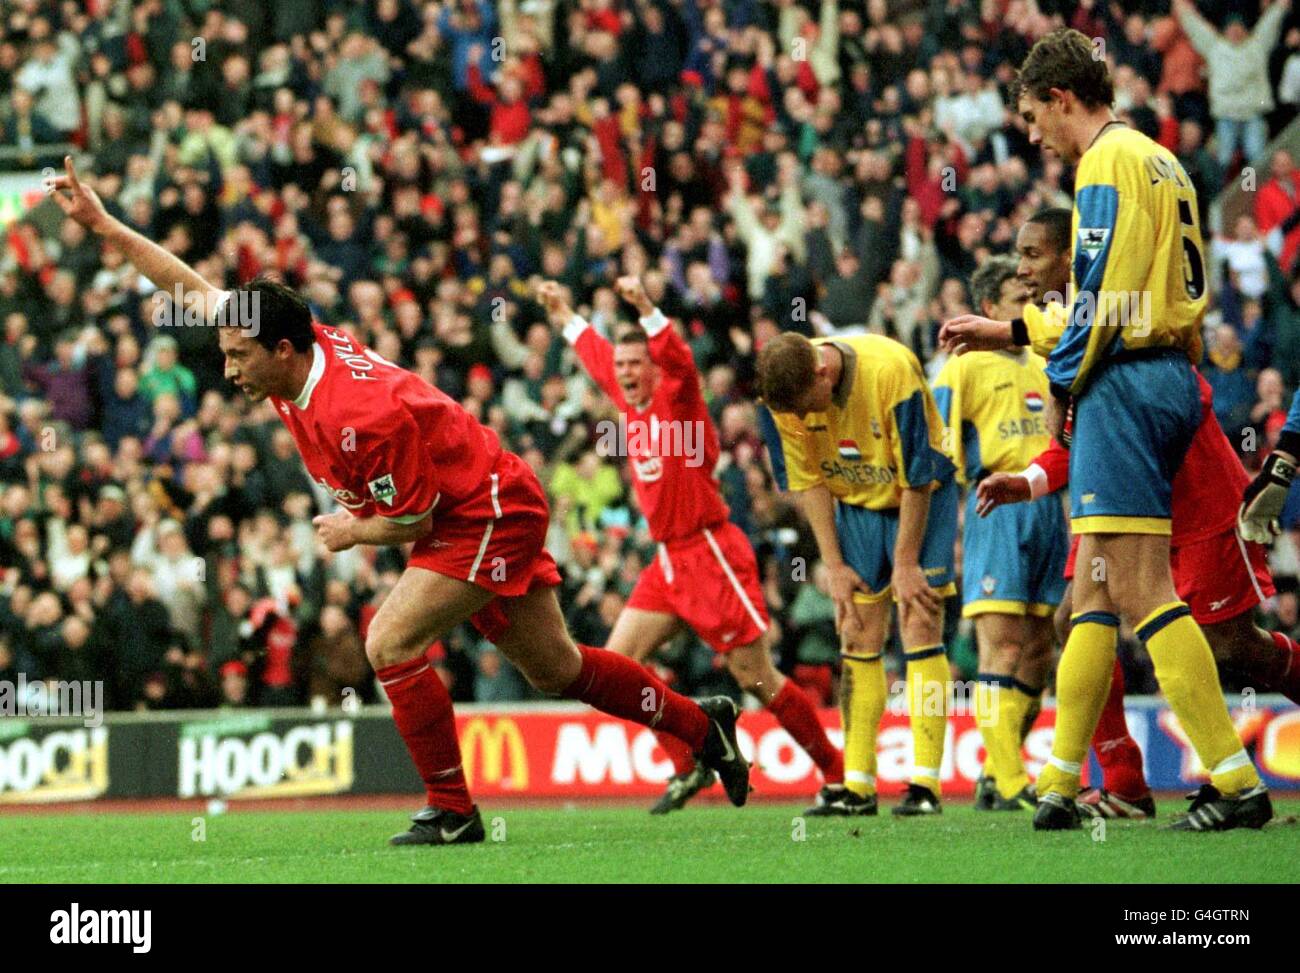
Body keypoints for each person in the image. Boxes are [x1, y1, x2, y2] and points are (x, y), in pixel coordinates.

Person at [48, 156, 749, 846]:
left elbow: (412, 519)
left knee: (389, 640)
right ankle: (700, 722)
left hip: (487, 506)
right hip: (477, 492)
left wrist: (352, 530)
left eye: (238, 356)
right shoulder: (295, 345)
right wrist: (105, 223)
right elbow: (189, 287)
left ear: (285, 350)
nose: (228, 368)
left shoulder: (358, 412)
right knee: (557, 668)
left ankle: (453, 809)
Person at [939, 29, 1270, 832]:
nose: (1029, 134)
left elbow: (1099, 299)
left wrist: (1058, 384)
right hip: (1165, 371)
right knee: (1087, 592)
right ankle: (1061, 779)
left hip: (1123, 383)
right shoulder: (1159, 158)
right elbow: (1130, 292)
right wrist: (1015, 333)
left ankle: (1235, 781)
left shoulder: (1103, 164)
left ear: (1060, 99)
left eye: (1029, 116)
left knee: (1139, 590)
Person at [978, 208, 1300, 819]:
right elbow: (1076, 441)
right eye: (1017, 255)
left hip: (1198, 502)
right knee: (1075, 615)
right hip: (1125, 496)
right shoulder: (1067, 339)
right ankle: (1123, 779)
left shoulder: (1111, 319)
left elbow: (1146, 399)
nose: (1021, 269)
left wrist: (1006, 333)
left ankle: (1231, 782)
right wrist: (1026, 481)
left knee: (1233, 647)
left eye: (1033, 255)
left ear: (1072, 258)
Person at [538, 276, 844, 814]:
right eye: (624, 366)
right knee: (617, 664)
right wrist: (564, 314)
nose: (627, 373)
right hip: (668, 561)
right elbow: (595, 355)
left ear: (655, 368)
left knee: (756, 677)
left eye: (637, 365)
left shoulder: (678, 402)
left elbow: (679, 362)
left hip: (709, 553)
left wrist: (649, 309)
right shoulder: (627, 400)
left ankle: (839, 776)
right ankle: (693, 757)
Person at [757, 330, 957, 817]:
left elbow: (918, 476)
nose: (805, 420)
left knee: (919, 623)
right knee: (857, 633)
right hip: (854, 504)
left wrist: (907, 563)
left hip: (921, 494)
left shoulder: (891, 371)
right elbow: (807, 482)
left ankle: (925, 786)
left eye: (809, 406)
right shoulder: (783, 401)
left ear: (822, 371)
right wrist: (834, 563)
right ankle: (857, 787)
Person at [931, 255, 1067, 812]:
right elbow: (936, 449)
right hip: (996, 506)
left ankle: (995, 770)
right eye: (1019, 303)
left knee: (1039, 649)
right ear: (988, 309)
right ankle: (1013, 783)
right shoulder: (961, 368)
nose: (1030, 312)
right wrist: (945, 529)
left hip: (1049, 502)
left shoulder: (1043, 359)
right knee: (1001, 645)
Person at [1239, 390, 1300, 545]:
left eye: (1279, 431)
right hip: (1265, 478)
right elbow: (1248, 459)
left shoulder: (1291, 416)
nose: (1276, 435)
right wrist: (1253, 421)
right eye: (1273, 431)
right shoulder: (1253, 427)